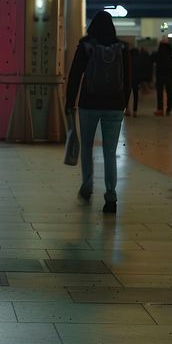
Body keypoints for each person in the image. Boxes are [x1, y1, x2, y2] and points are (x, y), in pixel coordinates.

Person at [65, 11, 131, 214]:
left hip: (89, 104)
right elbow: (129, 78)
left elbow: (75, 75)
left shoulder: (86, 45)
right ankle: (111, 197)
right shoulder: (122, 47)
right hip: (114, 105)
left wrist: (70, 102)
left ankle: (87, 186)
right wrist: (124, 103)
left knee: (87, 147)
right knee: (110, 152)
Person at [153, 40, 172, 116]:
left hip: (160, 75)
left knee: (160, 92)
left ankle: (160, 109)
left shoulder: (158, 54)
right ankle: (169, 109)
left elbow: (153, 60)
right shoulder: (170, 54)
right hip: (169, 75)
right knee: (169, 92)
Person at [125, 46, 143, 117]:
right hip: (136, 79)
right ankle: (135, 110)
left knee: (127, 94)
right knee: (136, 95)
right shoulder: (139, 58)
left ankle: (127, 109)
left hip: (129, 79)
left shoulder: (129, 58)